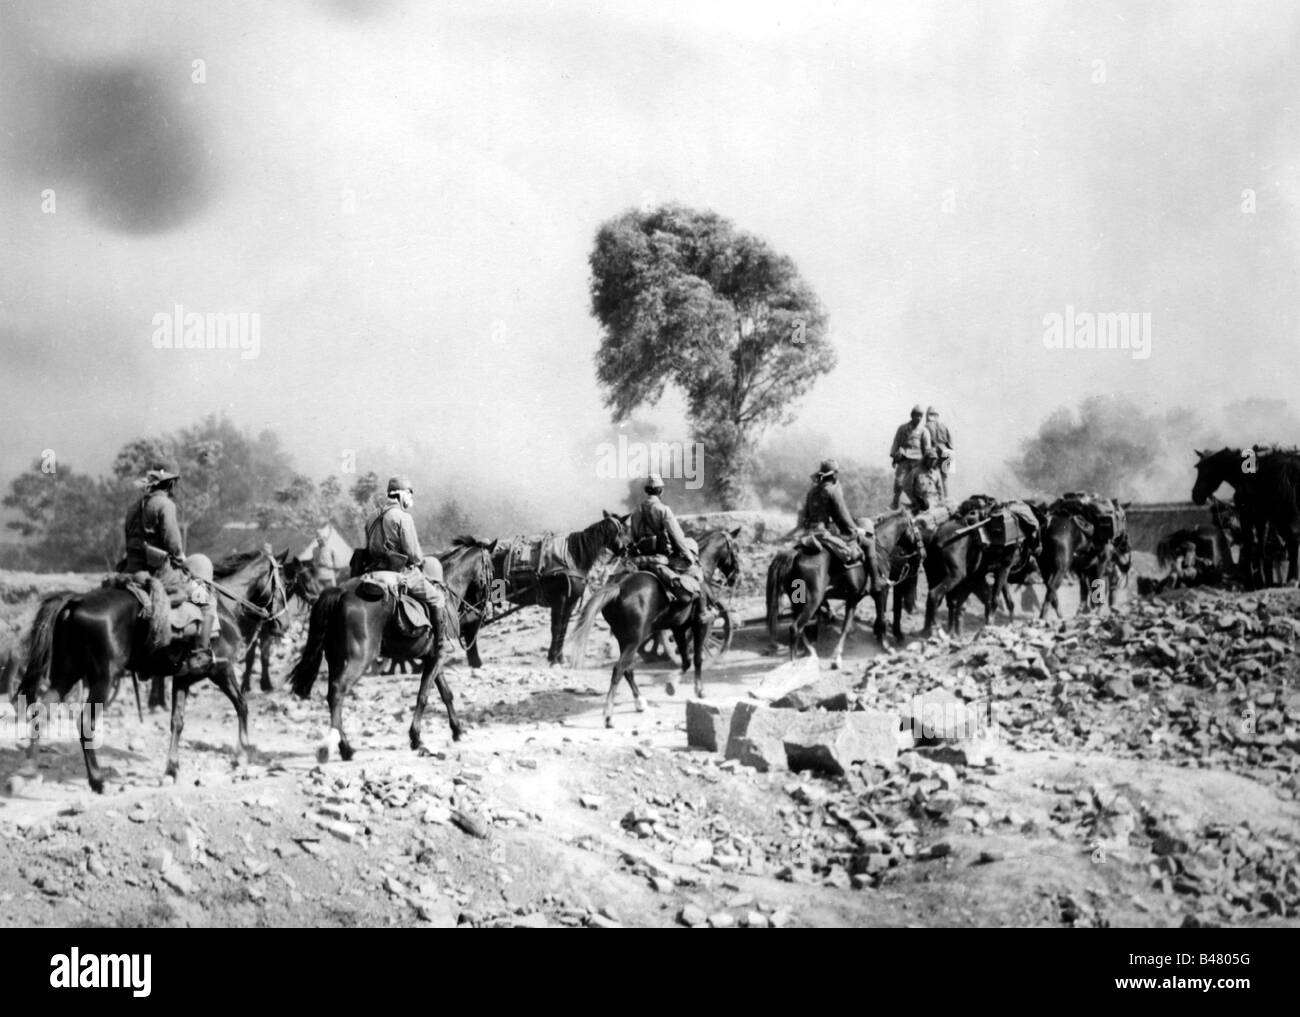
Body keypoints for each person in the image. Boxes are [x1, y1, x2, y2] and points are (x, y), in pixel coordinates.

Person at [122, 459, 216, 674]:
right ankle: (200, 655)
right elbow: (173, 543)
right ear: (170, 484)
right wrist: (181, 558)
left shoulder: (133, 508)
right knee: (206, 599)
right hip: (159, 574)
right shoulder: (165, 505)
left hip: (132, 571)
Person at [364, 476, 446, 648]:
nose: (411, 498)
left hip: (374, 573)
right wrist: (419, 561)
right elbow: (414, 555)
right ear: (401, 494)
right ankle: (439, 644)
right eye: (410, 493)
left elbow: (368, 548)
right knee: (437, 598)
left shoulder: (371, 517)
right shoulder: (403, 517)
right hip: (401, 574)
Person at [798, 459, 886, 592]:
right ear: (833, 475)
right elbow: (844, 515)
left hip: (810, 532)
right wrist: (857, 530)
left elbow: (805, 514)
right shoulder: (833, 491)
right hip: (826, 533)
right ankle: (875, 582)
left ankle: (797, 598)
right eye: (837, 473)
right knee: (869, 543)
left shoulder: (812, 492)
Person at [629, 473, 704, 606]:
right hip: (663, 557)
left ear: (646, 491)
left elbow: (634, 537)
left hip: (642, 558)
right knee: (695, 572)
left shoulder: (636, 512)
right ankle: (701, 611)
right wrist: (688, 556)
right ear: (660, 491)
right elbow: (677, 536)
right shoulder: (663, 510)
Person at [889, 404, 934, 509]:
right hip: (904, 459)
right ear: (912, 415)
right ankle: (895, 503)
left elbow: (927, 449)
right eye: (916, 415)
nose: (918, 418)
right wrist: (894, 455)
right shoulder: (903, 428)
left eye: (920, 416)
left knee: (918, 485)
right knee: (899, 482)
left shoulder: (924, 431)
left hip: (918, 461)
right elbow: (896, 442)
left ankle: (918, 505)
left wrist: (928, 462)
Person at [925, 406, 953, 499]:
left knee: (931, 475)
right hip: (946, 451)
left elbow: (926, 443)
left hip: (935, 451)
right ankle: (946, 497)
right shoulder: (944, 426)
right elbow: (950, 443)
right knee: (945, 477)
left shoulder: (927, 426)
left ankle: (936, 498)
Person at [307, 521, 342, 588]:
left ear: (325, 538)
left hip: (329, 575)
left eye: (321, 539)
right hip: (319, 577)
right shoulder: (314, 550)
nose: (319, 541)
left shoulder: (331, 549)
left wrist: (335, 573)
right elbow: (314, 562)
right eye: (318, 539)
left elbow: (337, 565)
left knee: (331, 594)